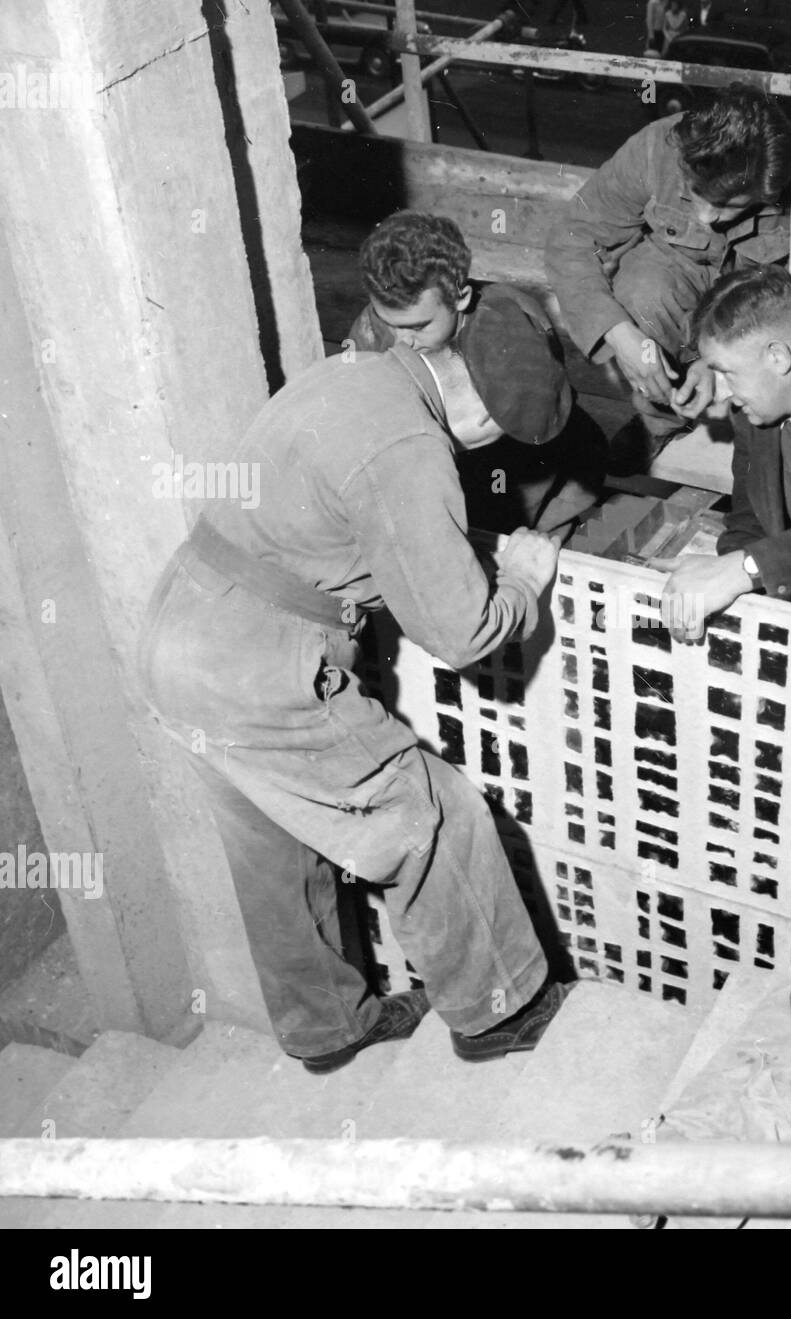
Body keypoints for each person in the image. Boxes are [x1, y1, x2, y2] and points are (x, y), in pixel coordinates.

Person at [137, 284, 574, 1074]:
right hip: (259, 666)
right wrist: (523, 585)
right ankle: (500, 1009)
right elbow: (462, 633)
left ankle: (327, 1027)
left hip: (180, 634)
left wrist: (456, 546)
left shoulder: (352, 374)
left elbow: (351, 517)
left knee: (273, 844)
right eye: (494, 437)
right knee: (429, 813)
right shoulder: (412, 447)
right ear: (478, 410)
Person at [545, 84, 791, 472]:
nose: (705, 218)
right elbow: (573, 237)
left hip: (760, 303)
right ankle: (659, 423)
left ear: (770, 192)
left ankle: (764, 432)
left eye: (727, 205)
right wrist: (619, 335)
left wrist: (716, 363)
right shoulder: (657, 149)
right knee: (644, 290)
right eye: (696, 194)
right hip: (680, 281)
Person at [348, 209, 603, 536]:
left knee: (496, 527)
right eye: (389, 322)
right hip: (451, 452)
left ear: (460, 297)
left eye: (418, 326)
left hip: (523, 452)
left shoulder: (508, 329)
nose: (402, 341)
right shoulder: (378, 324)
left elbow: (535, 425)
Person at [654, 264, 791, 642]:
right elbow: (748, 516)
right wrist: (723, 581)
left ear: (777, 357)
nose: (721, 392)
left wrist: (742, 570)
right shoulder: (755, 412)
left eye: (726, 372)